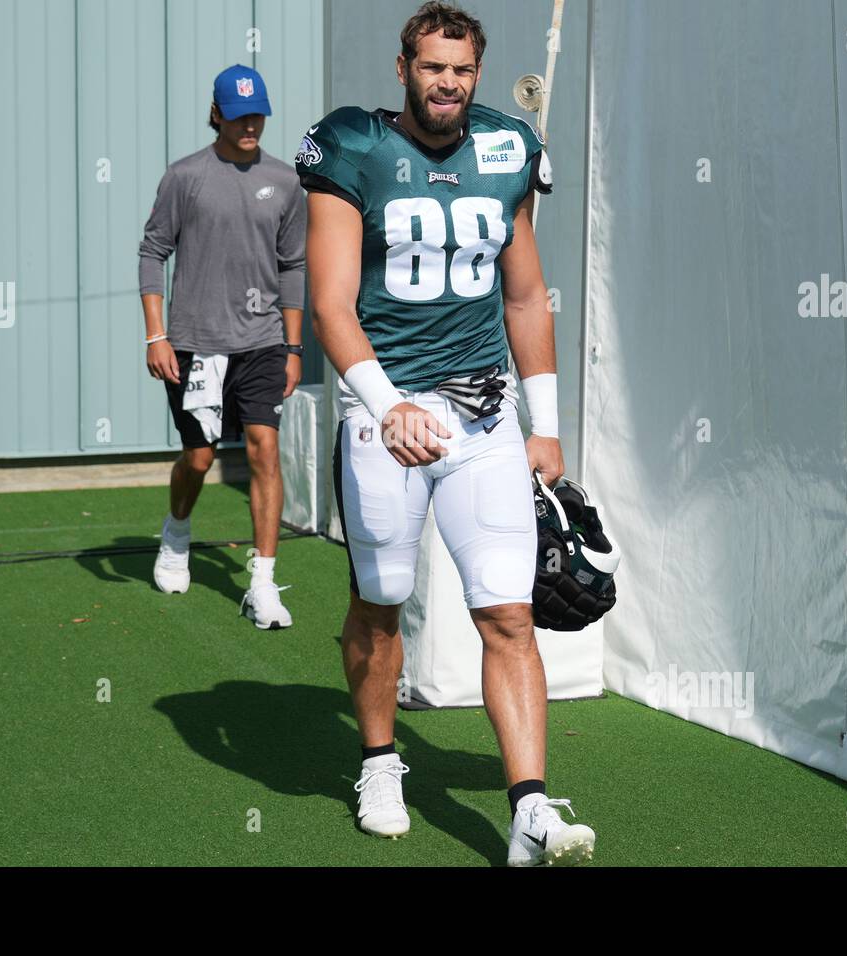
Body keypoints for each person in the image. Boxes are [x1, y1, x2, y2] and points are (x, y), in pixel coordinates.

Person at [298, 2, 596, 864]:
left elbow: (525, 295)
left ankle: (531, 808)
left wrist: (547, 427)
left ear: (477, 73)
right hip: (382, 410)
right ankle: (382, 759)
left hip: (481, 411)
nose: (448, 84)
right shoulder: (352, 148)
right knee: (382, 601)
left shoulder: (506, 147)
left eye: (461, 70)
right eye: (432, 67)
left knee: (508, 611)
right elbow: (329, 302)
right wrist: (387, 405)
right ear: (403, 69)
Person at [139, 64, 306, 629]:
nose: (250, 124)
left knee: (263, 448)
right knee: (200, 457)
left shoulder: (285, 182)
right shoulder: (185, 176)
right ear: (217, 115)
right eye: (238, 116)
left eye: (258, 113)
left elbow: (292, 265)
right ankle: (177, 533)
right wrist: (156, 335)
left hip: (261, 343)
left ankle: (262, 583)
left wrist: (293, 346)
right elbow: (151, 251)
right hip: (196, 347)